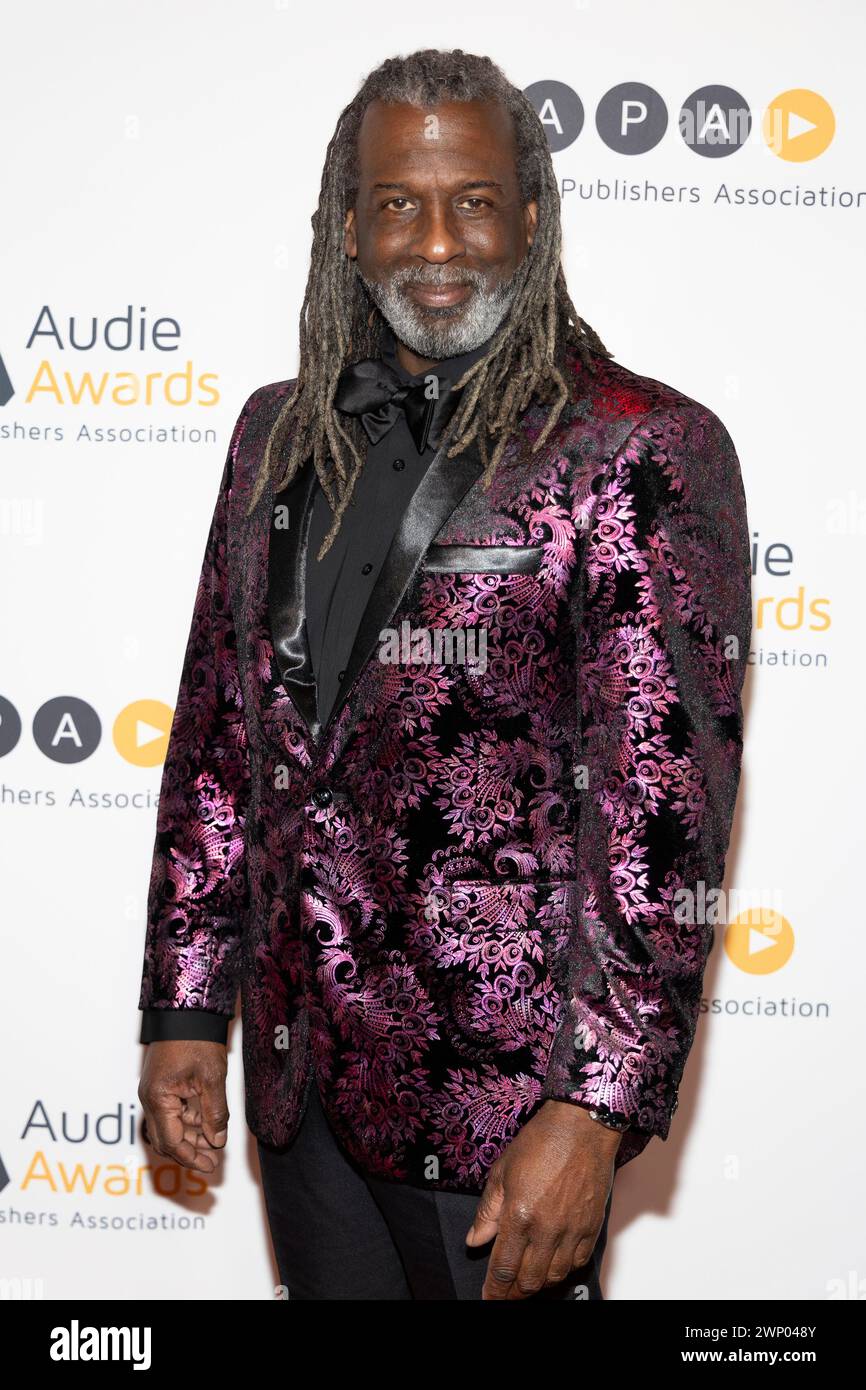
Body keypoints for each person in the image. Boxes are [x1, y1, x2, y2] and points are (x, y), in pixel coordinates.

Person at [137, 47, 752, 1301]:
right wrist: (187, 1015)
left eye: (471, 201)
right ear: (348, 225)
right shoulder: (275, 430)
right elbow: (217, 736)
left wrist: (591, 1111)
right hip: (304, 1098)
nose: (436, 241)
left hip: (503, 1118)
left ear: (529, 217)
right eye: (398, 204)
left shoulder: (639, 445)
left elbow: (658, 818)